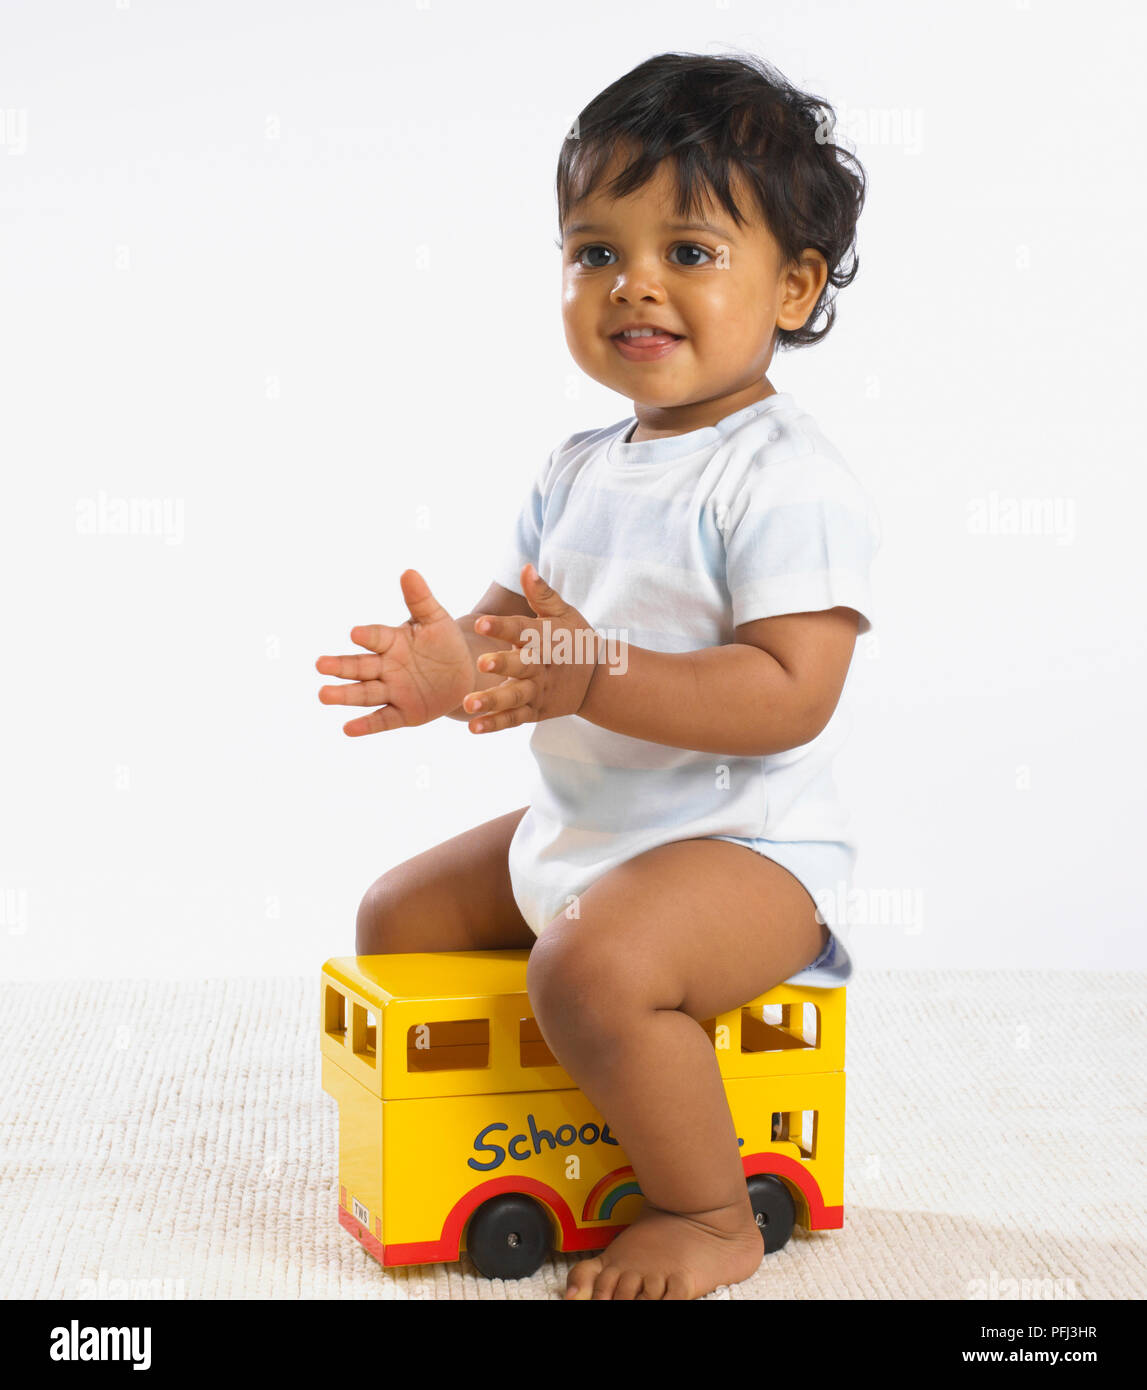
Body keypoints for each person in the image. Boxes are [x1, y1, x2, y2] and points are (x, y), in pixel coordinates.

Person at [316, 50, 879, 1301]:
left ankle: (704, 1207)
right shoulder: (578, 463)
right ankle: (522, 1129)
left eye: (688, 252)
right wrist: (449, 665)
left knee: (588, 966)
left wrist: (589, 678)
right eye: (592, 253)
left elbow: (791, 690)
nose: (632, 283)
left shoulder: (785, 474)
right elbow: (520, 622)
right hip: (595, 825)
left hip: (742, 847)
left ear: (792, 286)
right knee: (395, 920)